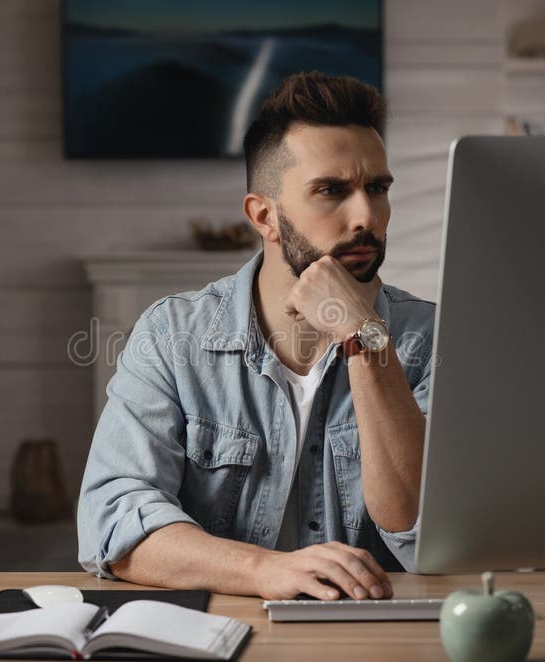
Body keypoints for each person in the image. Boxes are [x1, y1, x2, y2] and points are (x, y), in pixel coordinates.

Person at [77, 71, 435, 601]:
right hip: (218, 633)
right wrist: (264, 571)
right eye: (332, 191)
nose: (367, 216)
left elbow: (419, 525)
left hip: (380, 636)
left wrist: (365, 338)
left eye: (377, 188)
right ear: (264, 216)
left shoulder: (428, 339)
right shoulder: (171, 336)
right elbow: (114, 522)